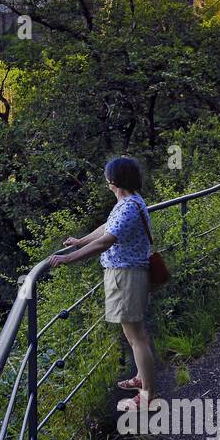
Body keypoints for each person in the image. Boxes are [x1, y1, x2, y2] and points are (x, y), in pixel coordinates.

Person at [48, 157, 154, 411]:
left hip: (127, 276)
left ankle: (147, 396)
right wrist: (80, 241)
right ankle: (142, 378)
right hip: (125, 274)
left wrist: (69, 258)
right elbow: (107, 227)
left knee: (137, 337)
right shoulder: (129, 202)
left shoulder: (128, 207)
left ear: (113, 181)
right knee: (133, 335)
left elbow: (106, 241)